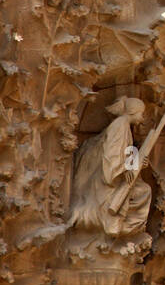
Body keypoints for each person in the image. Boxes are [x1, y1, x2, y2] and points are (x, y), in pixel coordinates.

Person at [68, 98, 159, 240]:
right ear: (132, 112)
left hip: (115, 175)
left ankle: (120, 224)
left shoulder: (125, 127)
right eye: (141, 114)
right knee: (144, 191)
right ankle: (115, 223)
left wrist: (139, 163)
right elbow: (112, 155)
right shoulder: (120, 126)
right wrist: (125, 170)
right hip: (106, 180)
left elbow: (127, 153)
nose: (141, 119)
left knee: (144, 190)